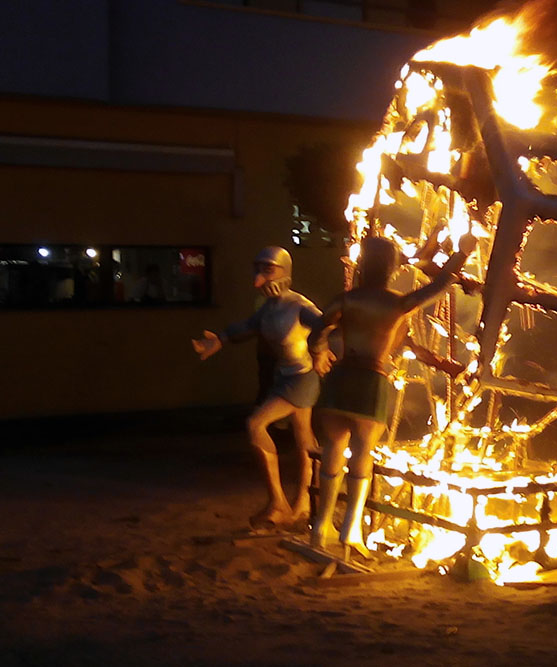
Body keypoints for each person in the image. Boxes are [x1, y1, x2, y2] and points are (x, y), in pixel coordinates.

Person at [309, 232, 474, 557]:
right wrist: (461, 253)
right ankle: (350, 530)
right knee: (361, 456)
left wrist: (318, 355)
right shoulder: (397, 303)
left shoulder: (346, 298)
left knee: (333, 448)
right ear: (390, 268)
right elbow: (439, 285)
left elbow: (318, 330)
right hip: (371, 381)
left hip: (340, 378)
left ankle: (321, 526)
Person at [192, 247, 330, 528]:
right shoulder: (269, 307)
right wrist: (220, 338)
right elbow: (248, 326)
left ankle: (278, 502)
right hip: (285, 375)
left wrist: (321, 349)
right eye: (258, 271)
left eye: (267, 271)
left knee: (256, 424)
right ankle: (304, 502)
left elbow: (327, 324)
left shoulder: (299, 306)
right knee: (304, 438)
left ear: (283, 271)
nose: (259, 279)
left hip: (302, 377)